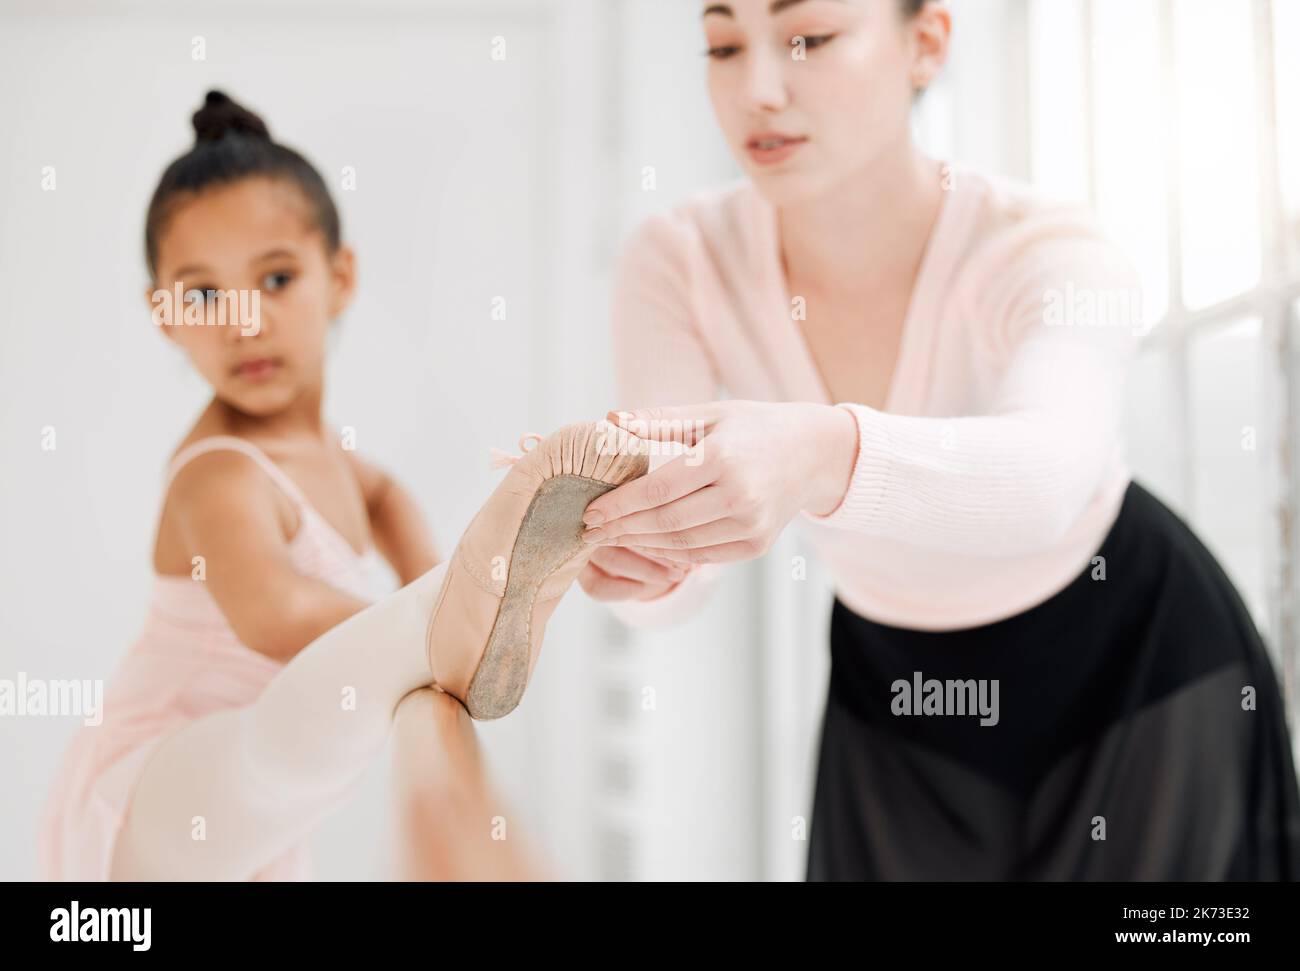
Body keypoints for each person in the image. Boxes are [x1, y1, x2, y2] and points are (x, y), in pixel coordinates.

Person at [579, 0, 1300, 879]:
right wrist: (638, 566)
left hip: (1137, 670)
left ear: (925, 44)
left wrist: (818, 452)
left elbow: (1045, 480)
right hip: (896, 690)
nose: (757, 89)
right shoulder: (680, 259)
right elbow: (675, 582)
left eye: (808, 38)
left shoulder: (1046, 248)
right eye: (723, 45)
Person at [37, 91, 647, 881]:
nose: (244, 322)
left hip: (262, 799)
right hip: (159, 787)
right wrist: (440, 608)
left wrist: (441, 569)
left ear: (341, 276)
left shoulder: (325, 454)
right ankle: (445, 618)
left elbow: (385, 496)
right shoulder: (219, 473)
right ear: (164, 315)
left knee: (298, 754)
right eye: (205, 294)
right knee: (277, 758)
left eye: (277, 277)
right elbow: (275, 612)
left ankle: (454, 607)